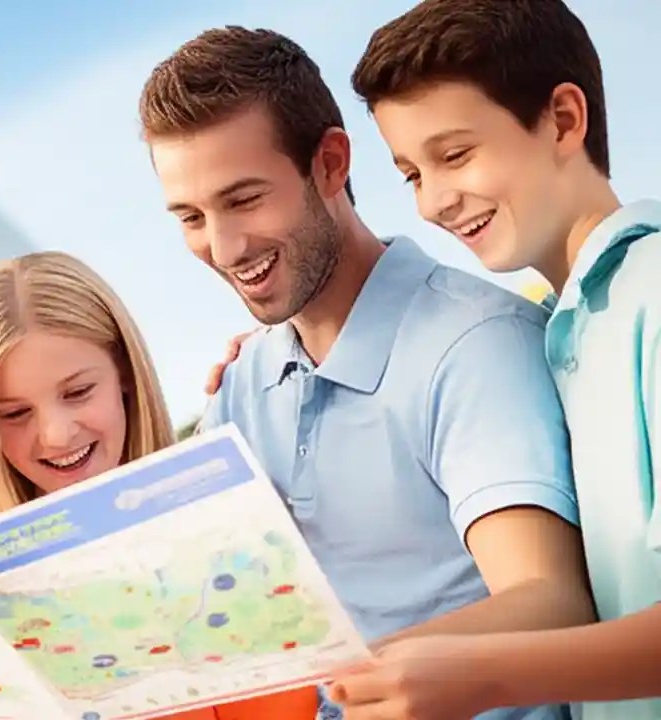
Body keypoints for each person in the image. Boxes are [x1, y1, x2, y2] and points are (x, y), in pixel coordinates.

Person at [138, 25, 597, 720]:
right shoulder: (243, 382)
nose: (224, 247)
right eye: (190, 216)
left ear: (329, 164)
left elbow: (549, 599)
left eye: (243, 199)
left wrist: (363, 676)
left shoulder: (473, 343)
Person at [325, 1, 661, 717]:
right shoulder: (548, 333)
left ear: (564, 121)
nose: (433, 202)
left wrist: (491, 674)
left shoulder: (655, 293)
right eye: (412, 173)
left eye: (455, 155)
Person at [0, 250, 320, 720]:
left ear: (124, 376)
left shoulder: (220, 537)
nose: (56, 434)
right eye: (14, 413)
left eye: (77, 393)